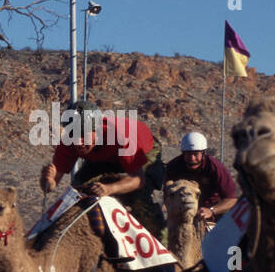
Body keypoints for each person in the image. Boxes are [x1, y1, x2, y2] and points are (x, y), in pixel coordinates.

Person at [40, 100, 166, 252]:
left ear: (97, 130)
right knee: (79, 189)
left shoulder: (120, 136)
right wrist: (47, 180)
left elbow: (138, 179)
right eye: (73, 135)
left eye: (83, 135)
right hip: (104, 157)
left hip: (143, 151)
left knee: (139, 197)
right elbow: (51, 184)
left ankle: (161, 246)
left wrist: (109, 188)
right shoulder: (69, 142)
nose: (78, 142)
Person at [163, 131, 238, 227]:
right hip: (183, 211)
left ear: (203, 153)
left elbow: (231, 199)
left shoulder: (215, 167)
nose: (192, 158)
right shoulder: (173, 167)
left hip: (213, 212)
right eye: (188, 154)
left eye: (196, 154)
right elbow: (167, 195)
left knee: (225, 237)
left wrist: (212, 211)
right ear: (183, 153)